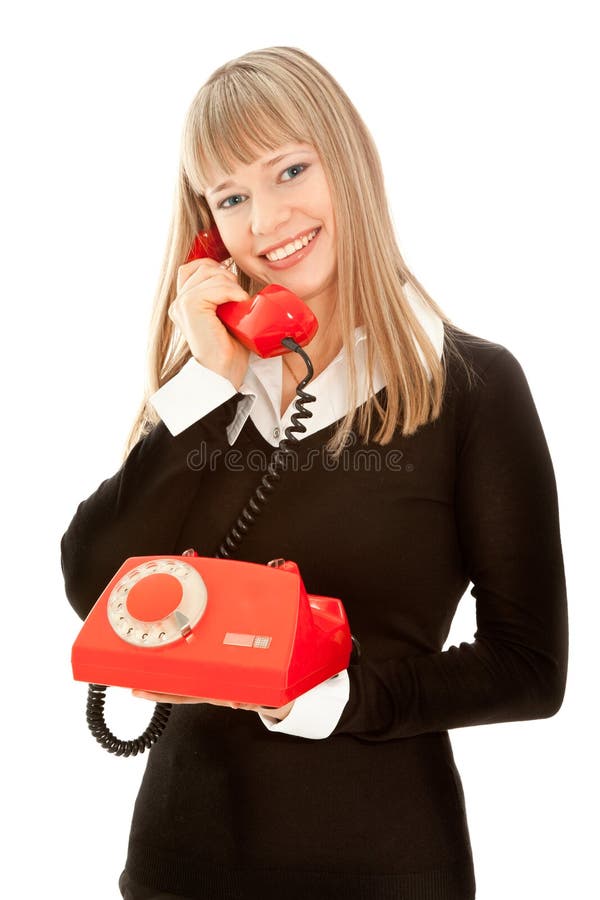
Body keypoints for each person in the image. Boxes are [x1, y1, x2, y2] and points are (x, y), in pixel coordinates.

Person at [60, 45, 569, 900]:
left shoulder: (473, 388)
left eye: (289, 169)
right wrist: (204, 384)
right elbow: (91, 585)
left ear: (349, 161)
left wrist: (343, 697)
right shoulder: (207, 397)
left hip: (385, 864)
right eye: (231, 197)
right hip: (180, 866)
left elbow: (529, 667)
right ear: (207, 232)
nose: (265, 221)